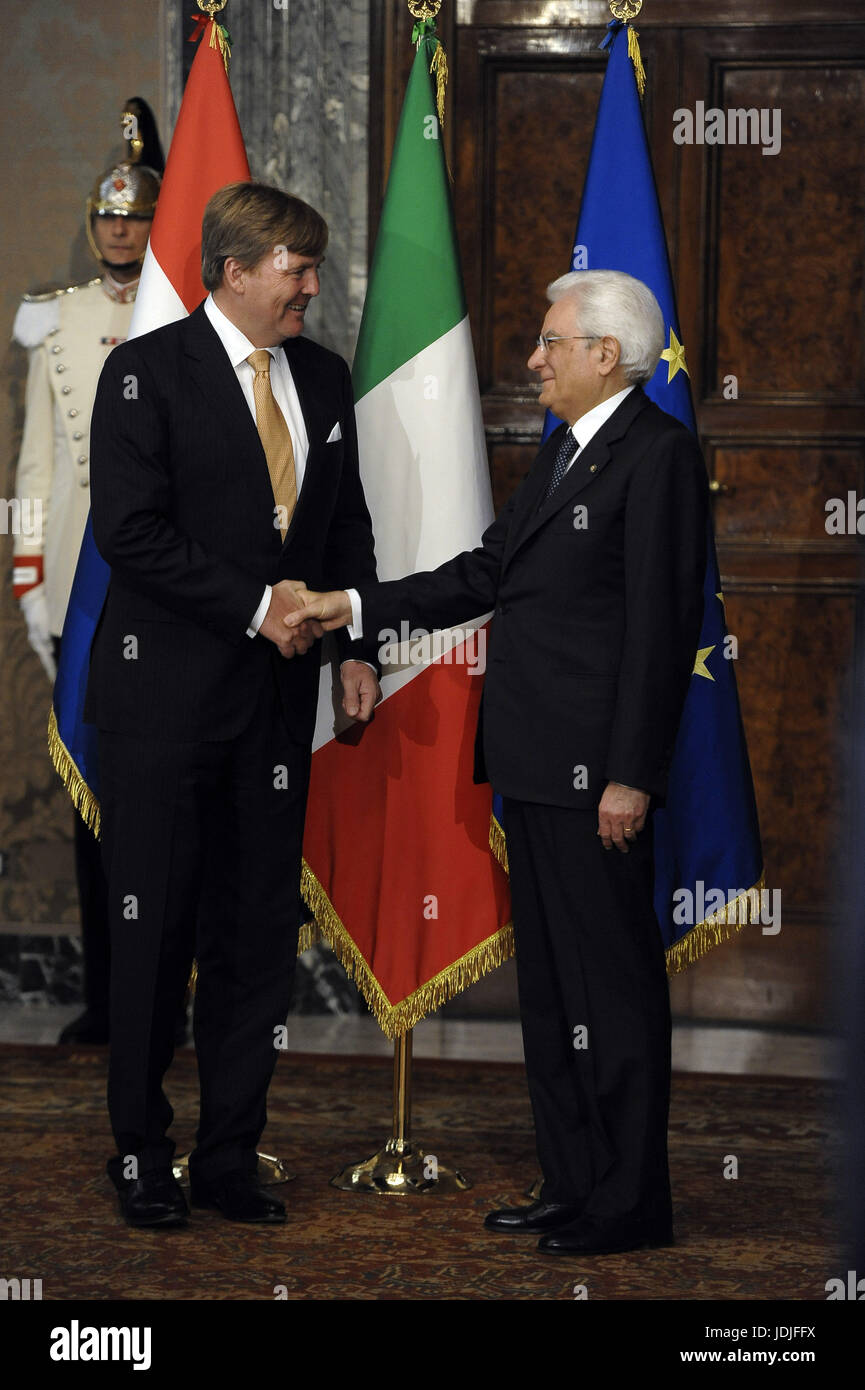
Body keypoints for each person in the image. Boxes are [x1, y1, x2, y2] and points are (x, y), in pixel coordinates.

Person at [286, 269, 709, 1257]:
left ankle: (630, 1201)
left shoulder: (659, 457)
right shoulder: (566, 450)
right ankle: (570, 1182)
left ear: (606, 355)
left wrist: (630, 774)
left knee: (611, 989)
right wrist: (349, 606)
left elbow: (659, 626)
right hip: (528, 764)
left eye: (550, 342)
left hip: (595, 776)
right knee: (554, 990)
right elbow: (485, 573)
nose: (533, 359)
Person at [85, 180, 380, 1227]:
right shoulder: (142, 375)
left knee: (254, 937)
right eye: (296, 266)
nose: (311, 283)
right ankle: (138, 1151)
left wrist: (353, 646)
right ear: (234, 269)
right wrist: (257, 605)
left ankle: (228, 1153)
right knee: (153, 930)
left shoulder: (327, 379)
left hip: (273, 709)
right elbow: (130, 532)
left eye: (312, 265)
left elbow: (344, 526)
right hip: (160, 704)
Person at [12, 98, 163, 1046]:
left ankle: (166, 994)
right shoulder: (51, 322)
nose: (117, 232)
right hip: (78, 583)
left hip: (164, 587)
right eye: (106, 219)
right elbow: (33, 465)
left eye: (134, 217)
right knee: (90, 792)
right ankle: (107, 1000)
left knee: (167, 793)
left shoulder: (181, 316)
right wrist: (29, 576)